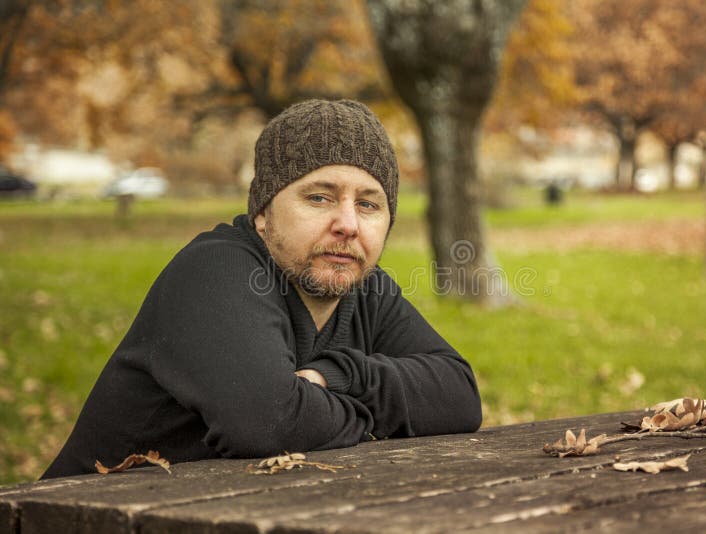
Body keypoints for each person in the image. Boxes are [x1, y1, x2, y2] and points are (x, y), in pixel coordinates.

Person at [41, 99, 482, 478]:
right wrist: (377, 416)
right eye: (319, 198)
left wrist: (337, 377)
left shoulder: (366, 290)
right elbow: (266, 422)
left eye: (368, 204)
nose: (348, 224)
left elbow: (459, 397)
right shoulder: (214, 270)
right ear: (263, 214)